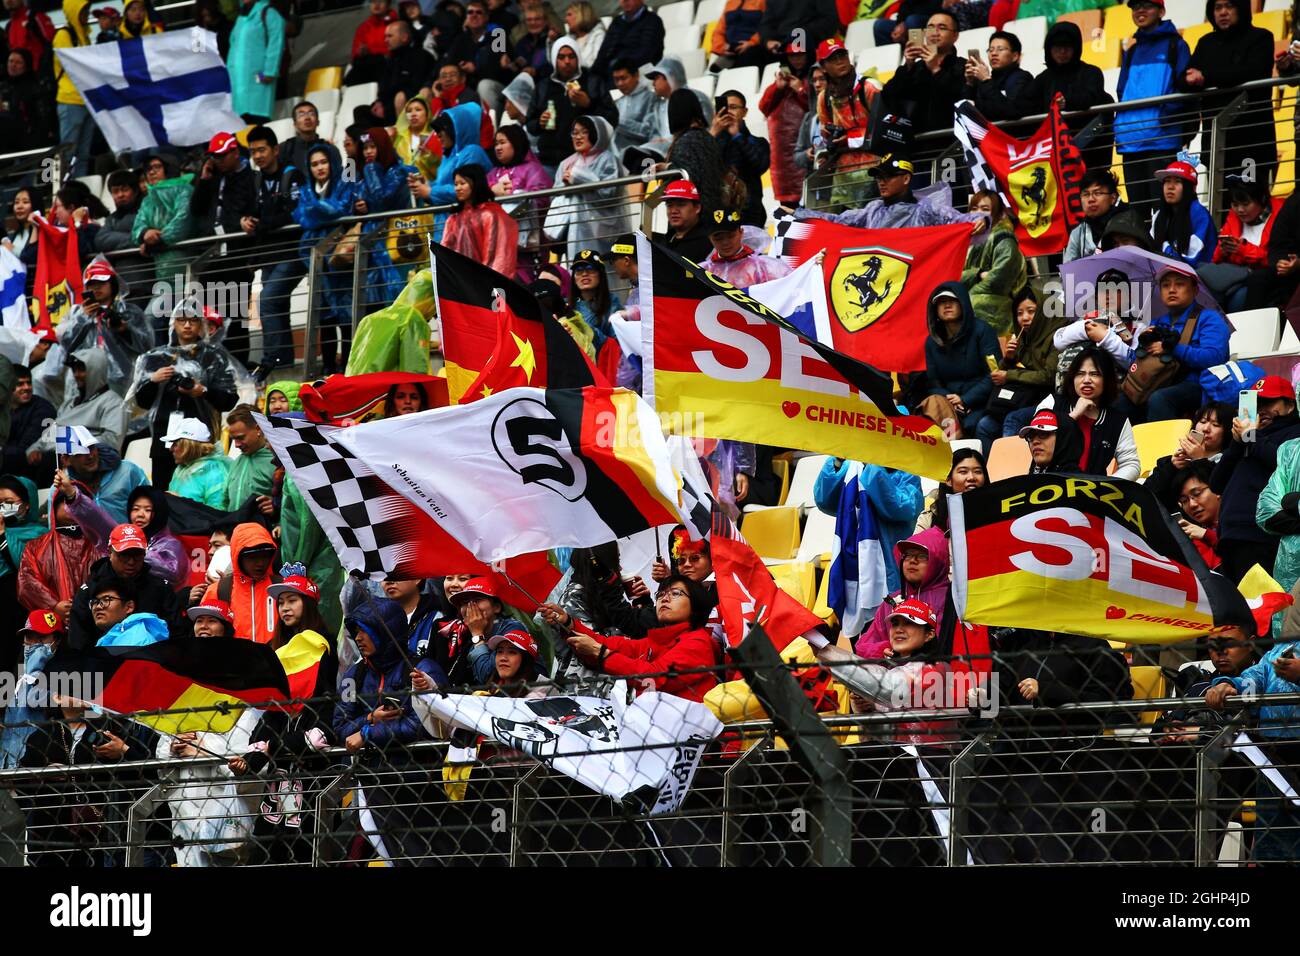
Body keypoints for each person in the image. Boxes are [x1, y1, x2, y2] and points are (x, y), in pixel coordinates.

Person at [230, 572, 337, 864]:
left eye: (293, 600)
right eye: (280, 603)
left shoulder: (322, 646)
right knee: (265, 854)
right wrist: (251, 758)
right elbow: (272, 713)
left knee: (306, 854)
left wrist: (277, 745)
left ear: (310, 604)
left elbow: (325, 711)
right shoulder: (275, 650)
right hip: (280, 783)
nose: (285, 608)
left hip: (313, 776)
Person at [333, 597, 444, 864]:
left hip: (416, 784)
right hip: (369, 781)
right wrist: (371, 718)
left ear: (385, 631)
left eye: (364, 631)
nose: (358, 638)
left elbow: (423, 727)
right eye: (355, 631)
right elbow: (340, 727)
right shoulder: (353, 676)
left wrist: (366, 735)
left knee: (418, 855)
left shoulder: (421, 670)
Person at [127, 302, 239, 491]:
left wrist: (202, 390)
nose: (187, 325)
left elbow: (228, 400)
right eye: (181, 320)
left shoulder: (214, 357)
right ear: (173, 324)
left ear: (201, 325)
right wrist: (153, 380)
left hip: (200, 442)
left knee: (199, 492)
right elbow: (142, 402)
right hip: (164, 440)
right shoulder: (156, 357)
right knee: (164, 494)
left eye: (193, 320)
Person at [558, 573, 720, 702]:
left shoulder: (698, 642)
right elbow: (610, 644)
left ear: (695, 606)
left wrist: (601, 653)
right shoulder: (656, 640)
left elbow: (654, 678)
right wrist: (568, 622)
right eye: (661, 594)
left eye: (676, 593)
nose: (665, 598)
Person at [1211, 376, 1300, 582]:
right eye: (1257, 403)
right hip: (1231, 536)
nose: (1262, 409)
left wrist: (1252, 437)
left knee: (1260, 608)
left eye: (1269, 402)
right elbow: (1216, 483)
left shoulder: (1294, 433)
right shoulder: (1249, 437)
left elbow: (1285, 464)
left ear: (1289, 406)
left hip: (1261, 537)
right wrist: (1237, 443)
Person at [1184, 0, 1276, 195]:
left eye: (1229, 6)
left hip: (1252, 143)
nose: (1223, 12)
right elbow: (1186, 78)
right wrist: (1193, 78)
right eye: (1217, 8)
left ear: (1241, 9)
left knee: (1253, 206)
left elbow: (1253, 72)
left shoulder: (1261, 37)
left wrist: (1206, 77)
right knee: (1220, 212)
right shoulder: (1206, 42)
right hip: (1217, 145)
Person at [1126, 264, 1230, 423]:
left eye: (1179, 284)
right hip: (1158, 382)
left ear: (1195, 290)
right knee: (1120, 400)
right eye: (1166, 285)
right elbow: (1136, 360)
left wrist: (1171, 349)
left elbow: (1215, 357)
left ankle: (1160, 448)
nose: (1172, 290)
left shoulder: (1210, 318)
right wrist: (1142, 345)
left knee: (1159, 399)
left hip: (1198, 385)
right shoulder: (1157, 322)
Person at [189, 132, 257, 367]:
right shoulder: (213, 177)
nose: (217, 160)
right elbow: (196, 210)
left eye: (221, 156)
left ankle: (238, 367)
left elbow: (248, 210)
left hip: (236, 257)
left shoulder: (250, 177)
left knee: (236, 317)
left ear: (235, 152)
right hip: (211, 256)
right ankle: (211, 365)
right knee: (208, 317)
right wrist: (205, 179)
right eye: (214, 157)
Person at [1115, 0, 1191, 211]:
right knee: (1139, 215)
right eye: (1135, 6)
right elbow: (1122, 91)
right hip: (1132, 142)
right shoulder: (1131, 51)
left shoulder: (1176, 45)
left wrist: (1164, 116)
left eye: (1147, 5)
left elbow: (1184, 90)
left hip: (1162, 141)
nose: (1140, 10)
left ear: (1161, 11)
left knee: (1164, 211)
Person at [293, 143, 360, 375]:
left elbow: (341, 208)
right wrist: (321, 211)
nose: (320, 168)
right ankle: (329, 366)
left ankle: (348, 365)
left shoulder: (345, 183)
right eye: (314, 164)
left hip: (339, 258)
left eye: (323, 162)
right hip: (316, 259)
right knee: (324, 314)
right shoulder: (306, 189)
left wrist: (316, 210)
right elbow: (302, 216)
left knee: (345, 313)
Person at [63, 520, 181, 649]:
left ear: (145, 553)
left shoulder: (161, 588)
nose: (131, 561)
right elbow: (78, 642)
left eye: (137, 554)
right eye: (124, 555)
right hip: (101, 663)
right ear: (110, 551)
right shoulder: (88, 591)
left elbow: (176, 636)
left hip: (152, 662)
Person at [790, 154, 984, 232]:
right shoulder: (872, 209)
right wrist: (797, 214)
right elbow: (836, 221)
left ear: (906, 179)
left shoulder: (926, 209)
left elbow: (960, 219)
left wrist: (981, 220)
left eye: (888, 176)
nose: (881, 182)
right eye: (878, 177)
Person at [1014, 20, 1112, 170]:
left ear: (1076, 48)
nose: (1062, 52)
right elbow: (1022, 106)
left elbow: (1094, 98)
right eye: (1057, 47)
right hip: (1055, 157)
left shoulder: (1091, 72)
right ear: (1049, 49)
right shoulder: (1043, 78)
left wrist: (1067, 102)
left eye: (1067, 47)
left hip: (1090, 154)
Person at [977, 290, 1065, 451]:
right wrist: (1009, 358)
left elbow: (1048, 376)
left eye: (1031, 311)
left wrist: (1009, 375)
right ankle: (990, 473)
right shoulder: (1023, 338)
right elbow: (1000, 378)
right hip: (1022, 399)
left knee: (1013, 419)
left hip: (1049, 400)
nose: (1024, 317)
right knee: (985, 425)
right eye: (1019, 313)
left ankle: (1013, 471)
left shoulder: (1057, 338)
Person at [58, 258, 153, 400]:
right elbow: (65, 343)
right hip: (82, 380)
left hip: (120, 379)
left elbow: (147, 345)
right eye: (91, 285)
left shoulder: (129, 312)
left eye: (101, 283)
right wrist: (84, 317)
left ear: (112, 284)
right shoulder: (75, 313)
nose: (95, 288)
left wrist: (124, 330)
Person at [64, 477, 185, 585]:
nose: (140, 515)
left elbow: (172, 572)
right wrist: (74, 498)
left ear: (159, 513)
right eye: (135, 509)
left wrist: (133, 546)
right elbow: (100, 523)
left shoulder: (170, 544)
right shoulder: (122, 535)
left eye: (148, 510)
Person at [27, 350, 127, 476]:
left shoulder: (113, 402)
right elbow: (51, 433)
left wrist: (72, 445)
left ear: (95, 371)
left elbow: (112, 440)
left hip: (90, 461)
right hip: (59, 456)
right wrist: (35, 449)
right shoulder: (70, 403)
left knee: (49, 463)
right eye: (74, 370)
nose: (76, 375)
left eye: (81, 370)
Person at [525, 36, 617, 170]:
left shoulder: (593, 82)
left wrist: (589, 105)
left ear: (578, 58)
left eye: (571, 56)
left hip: (586, 161)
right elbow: (530, 124)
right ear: (554, 60)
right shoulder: (543, 87)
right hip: (549, 161)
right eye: (561, 57)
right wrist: (540, 123)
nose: (567, 61)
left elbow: (612, 118)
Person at [1049, 344, 1140, 480]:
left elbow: (1131, 464)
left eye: (1094, 374)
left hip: (1092, 495)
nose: (1086, 380)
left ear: (1107, 380)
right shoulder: (1052, 403)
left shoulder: (1117, 421)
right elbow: (1038, 441)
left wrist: (1106, 486)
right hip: (1048, 490)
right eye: (1080, 374)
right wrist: (1074, 416)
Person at [922, 284, 1001, 440]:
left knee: (975, 425)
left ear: (963, 304)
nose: (947, 305)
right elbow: (933, 382)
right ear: (935, 310)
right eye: (941, 301)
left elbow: (994, 373)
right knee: (933, 427)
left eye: (953, 300)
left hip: (982, 401)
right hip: (948, 405)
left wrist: (965, 400)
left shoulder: (983, 331)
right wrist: (951, 400)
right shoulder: (931, 342)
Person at [131, 151, 195, 339]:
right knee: (151, 322)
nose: (151, 172)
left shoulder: (185, 190)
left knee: (187, 328)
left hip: (189, 275)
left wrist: (155, 241)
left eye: (156, 167)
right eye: (148, 169)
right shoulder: (148, 199)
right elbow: (137, 228)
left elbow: (183, 223)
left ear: (168, 168)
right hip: (163, 279)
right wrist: (145, 233)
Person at [551, 115, 629, 262]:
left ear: (596, 133)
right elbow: (554, 196)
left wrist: (579, 178)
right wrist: (567, 185)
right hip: (574, 229)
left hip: (603, 231)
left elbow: (609, 193)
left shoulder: (607, 158)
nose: (578, 137)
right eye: (574, 132)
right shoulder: (566, 163)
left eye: (584, 132)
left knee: (605, 272)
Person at [1204, 175, 1283, 313]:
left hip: (1263, 280)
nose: (1240, 210)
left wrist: (1243, 250)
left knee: (1239, 298)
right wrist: (1223, 251)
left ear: (1262, 200)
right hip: (1235, 276)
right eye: (1235, 204)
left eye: (1245, 204)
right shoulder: (1233, 217)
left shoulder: (1279, 216)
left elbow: (1275, 259)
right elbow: (1215, 259)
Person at [882, 10, 968, 137]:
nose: (935, 32)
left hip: (951, 140)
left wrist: (936, 70)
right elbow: (888, 96)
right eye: (930, 27)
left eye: (942, 28)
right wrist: (908, 65)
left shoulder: (964, 66)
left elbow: (961, 101)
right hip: (914, 142)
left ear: (955, 36)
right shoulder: (915, 68)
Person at [488, 125, 550, 283]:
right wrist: (491, 192)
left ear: (516, 143)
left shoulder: (532, 169)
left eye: (502, 142)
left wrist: (514, 196)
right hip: (498, 249)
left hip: (525, 249)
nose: (498, 147)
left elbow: (542, 199)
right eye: (496, 144)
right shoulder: (492, 174)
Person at [1145, 400, 1234, 510]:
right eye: (1202, 421)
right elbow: (1146, 495)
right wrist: (1171, 467)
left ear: (1227, 432)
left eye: (1215, 425)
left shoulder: (1231, 463)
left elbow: (1224, 495)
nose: (1206, 429)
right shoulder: (1171, 462)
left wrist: (1201, 460)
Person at [200, 522, 281, 643]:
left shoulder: (282, 588)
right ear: (237, 555)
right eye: (252, 557)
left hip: (278, 660)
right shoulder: (218, 590)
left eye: (265, 555)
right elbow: (204, 632)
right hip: (233, 660)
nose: (260, 562)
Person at [961, 190, 1026, 337]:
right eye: (974, 208)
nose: (978, 213)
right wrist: (977, 274)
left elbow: (999, 280)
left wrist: (965, 292)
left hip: (994, 318)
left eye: (985, 209)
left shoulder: (1004, 239)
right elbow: (951, 276)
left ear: (996, 214)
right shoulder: (965, 241)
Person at [440, 163, 519, 278]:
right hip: (461, 281)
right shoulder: (454, 218)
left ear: (475, 184)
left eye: (463, 183)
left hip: (485, 282)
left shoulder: (490, 215)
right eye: (456, 184)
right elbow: (446, 250)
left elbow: (498, 256)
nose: (458, 188)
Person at [758, 39, 811, 208]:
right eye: (792, 56)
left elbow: (818, 108)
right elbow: (763, 107)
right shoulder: (780, 84)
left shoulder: (815, 78)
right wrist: (777, 87)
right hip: (782, 160)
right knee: (788, 211)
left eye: (800, 55)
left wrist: (800, 90)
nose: (796, 59)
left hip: (806, 152)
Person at [660, 88, 724, 215]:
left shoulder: (684, 142)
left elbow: (688, 177)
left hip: (694, 217)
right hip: (715, 212)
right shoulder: (708, 137)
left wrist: (667, 168)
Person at [710, 89, 769, 227]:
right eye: (725, 108)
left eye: (734, 107)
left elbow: (760, 164)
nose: (729, 111)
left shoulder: (758, 142)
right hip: (716, 212)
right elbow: (698, 164)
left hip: (749, 214)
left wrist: (737, 135)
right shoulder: (712, 141)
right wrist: (713, 133)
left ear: (745, 112)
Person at [444, 0, 512, 116]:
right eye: (470, 12)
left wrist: (475, 69)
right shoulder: (461, 39)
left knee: (484, 85)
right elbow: (450, 62)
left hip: (498, 87)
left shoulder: (498, 35)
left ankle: (492, 127)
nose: (474, 15)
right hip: (470, 87)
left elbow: (497, 69)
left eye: (478, 12)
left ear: (486, 17)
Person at [52, 0, 95, 177]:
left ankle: (79, 188)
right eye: (82, 11)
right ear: (73, 12)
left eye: (86, 10)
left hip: (86, 100)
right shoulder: (63, 35)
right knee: (68, 151)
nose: (86, 14)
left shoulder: (84, 36)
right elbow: (72, 65)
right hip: (70, 100)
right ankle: (62, 190)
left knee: (83, 154)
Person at [1150, 157, 1217, 268]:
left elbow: (1193, 258)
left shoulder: (1199, 214)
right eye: (1167, 181)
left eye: (1177, 181)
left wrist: (1164, 247)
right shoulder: (1159, 215)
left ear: (1192, 188)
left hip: (1197, 278)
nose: (1170, 187)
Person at [701, 206, 790, 287]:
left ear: (741, 232)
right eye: (718, 238)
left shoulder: (766, 267)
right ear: (710, 238)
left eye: (731, 236)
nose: (725, 242)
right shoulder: (703, 271)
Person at [227, 0, 286, 123]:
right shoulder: (241, 17)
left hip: (259, 76)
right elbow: (233, 46)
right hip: (237, 80)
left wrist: (270, 71)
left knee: (257, 119)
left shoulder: (269, 13)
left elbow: (276, 42)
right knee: (240, 121)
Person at [962, 29, 1031, 121]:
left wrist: (986, 79)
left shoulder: (1022, 77)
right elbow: (966, 112)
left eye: (1000, 49)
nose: (993, 53)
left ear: (1015, 56)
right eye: (990, 50)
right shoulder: (986, 81)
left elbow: (1011, 111)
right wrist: (970, 83)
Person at [163, 418, 231, 509]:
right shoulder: (181, 469)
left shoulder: (214, 472)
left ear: (188, 446)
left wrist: (181, 502)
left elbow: (217, 514)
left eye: (175, 444)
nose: (170, 449)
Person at [914, 447, 985, 533]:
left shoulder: (996, 509)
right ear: (948, 480)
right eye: (963, 472)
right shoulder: (930, 516)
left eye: (977, 472)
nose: (971, 477)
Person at [378, 19, 436, 122]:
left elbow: (418, 85)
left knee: (400, 97)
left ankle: (407, 136)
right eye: (385, 37)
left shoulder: (421, 56)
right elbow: (383, 90)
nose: (385, 40)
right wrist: (379, 102)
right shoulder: (389, 61)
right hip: (389, 106)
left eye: (390, 36)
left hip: (412, 102)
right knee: (361, 111)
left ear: (404, 37)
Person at [0, 47, 57, 153]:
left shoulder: (35, 87)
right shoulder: (3, 85)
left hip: (30, 139)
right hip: (5, 139)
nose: (13, 65)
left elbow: (43, 116)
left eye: (18, 62)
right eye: (11, 61)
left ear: (26, 66)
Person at [590, 0, 664, 81]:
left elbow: (646, 54)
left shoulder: (652, 21)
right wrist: (594, 72)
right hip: (612, 71)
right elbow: (604, 51)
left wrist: (618, 67)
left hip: (637, 73)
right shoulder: (617, 22)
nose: (625, 0)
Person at [222, 406, 277, 513]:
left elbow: (291, 505)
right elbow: (225, 501)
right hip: (233, 528)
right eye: (233, 439)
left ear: (258, 429)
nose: (236, 445)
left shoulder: (277, 463)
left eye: (241, 438)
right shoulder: (236, 462)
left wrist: (276, 505)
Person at [1064, 169, 1123, 263]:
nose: (1091, 199)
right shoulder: (1078, 233)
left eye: (1098, 193)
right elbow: (1068, 273)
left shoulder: (1126, 224)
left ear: (1113, 198)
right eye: (1086, 194)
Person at [650, 178, 713, 263]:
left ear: (697, 208)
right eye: (669, 205)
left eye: (681, 205)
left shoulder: (709, 240)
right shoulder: (666, 240)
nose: (673, 211)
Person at [278, 101, 343, 177]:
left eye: (311, 114)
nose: (307, 118)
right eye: (301, 115)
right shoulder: (284, 148)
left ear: (318, 122)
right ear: (295, 124)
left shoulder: (330, 149)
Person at [568, 249, 621, 336]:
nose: (584, 274)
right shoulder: (566, 306)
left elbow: (617, 341)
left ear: (600, 274)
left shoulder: (612, 303)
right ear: (574, 278)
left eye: (590, 269)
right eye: (579, 270)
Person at [350, 0, 397, 86]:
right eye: (373, 1)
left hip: (391, 67)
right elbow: (355, 55)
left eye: (380, 1)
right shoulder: (363, 28)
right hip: (369, 69)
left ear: (388, 4)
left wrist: (372, 51)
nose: (376, 4)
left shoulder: (396, 24)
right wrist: (360, 53)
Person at [1021, 409, 1072, 474]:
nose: (1035, 441)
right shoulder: (1025, 481)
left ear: (1063, 439)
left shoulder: (1080, 481)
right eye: (1031, 436)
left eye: (1043, 434)